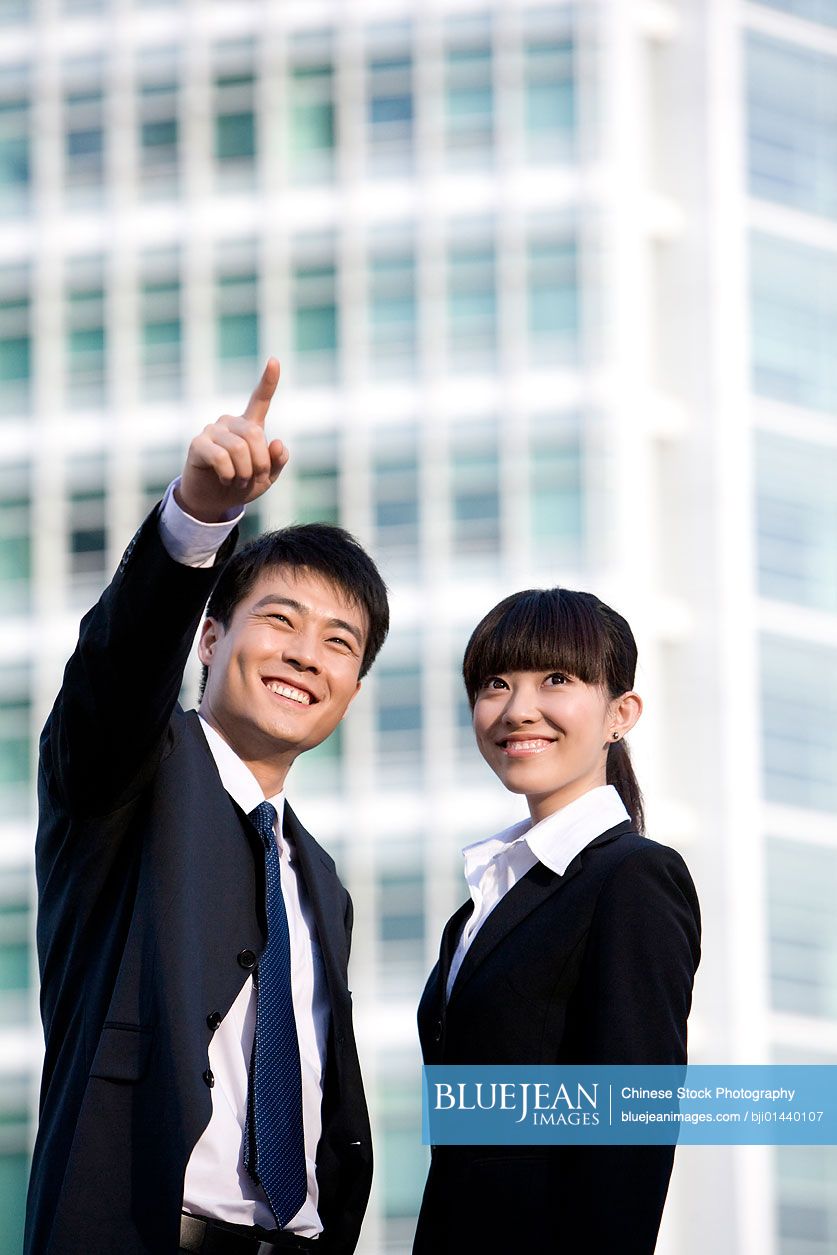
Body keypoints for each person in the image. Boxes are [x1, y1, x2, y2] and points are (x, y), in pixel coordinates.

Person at [26, 359, 388, 1255]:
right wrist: (199, 519)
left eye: (338, 642)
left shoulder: (320, 881)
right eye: (280, 620)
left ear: (350, 687)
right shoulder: (129, 776)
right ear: (211, 638)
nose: (307, 654)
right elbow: (118, 671)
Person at [414, 586, 701, 1255]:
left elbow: (630, 1132)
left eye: (556, 679)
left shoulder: (631, 877)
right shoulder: (477, 909)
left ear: (619, 713)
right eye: (494, 683)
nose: (518, 709)